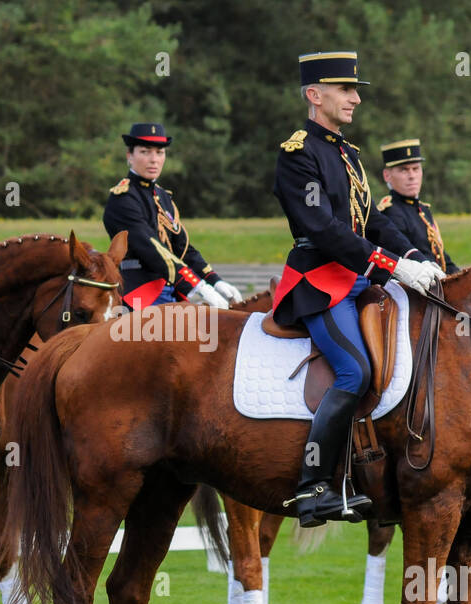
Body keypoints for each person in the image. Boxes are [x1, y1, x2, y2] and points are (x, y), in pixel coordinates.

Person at [271, 52, 442, 527]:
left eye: (355, 90)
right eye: (346, 90)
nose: (356, 98)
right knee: (354, 371)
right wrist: (384, 263)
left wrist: (414, 259)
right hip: (318, 282)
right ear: (314, 94)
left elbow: (373, 220)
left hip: (358, 278)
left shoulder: (346, 153)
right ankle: (313, 487)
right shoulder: (298, 153)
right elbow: (322, 228)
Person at [102, 123, 241, 311]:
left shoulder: (163, 197)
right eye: (145, 152)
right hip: (138, 292)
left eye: (160, 153)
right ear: (130, 156)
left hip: (173, 288)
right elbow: (150, 248)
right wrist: (195, 285)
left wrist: (214, 280)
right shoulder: (123, 198)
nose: (154, 160)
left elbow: (183, 249)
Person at [374, 138, 458, 273]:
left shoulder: (423, 210)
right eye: (404, 170)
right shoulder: (390, 212)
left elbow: (441, 257)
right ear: (387, 175)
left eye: (416, 169)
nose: (412, 176)